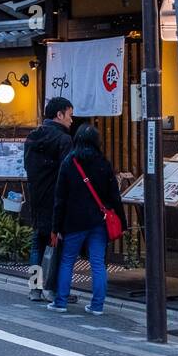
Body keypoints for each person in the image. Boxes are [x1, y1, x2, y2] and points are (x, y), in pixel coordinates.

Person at [50, 124, 126, 315]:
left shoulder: (69, 162)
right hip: (99, 221)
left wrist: (55, 227)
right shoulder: (103, 163)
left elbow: (60, 198)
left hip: (73, 221)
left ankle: (61, 302)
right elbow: (114, 196)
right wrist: (122, 222)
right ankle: (97, 306)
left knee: (67, 261)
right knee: (98, 263)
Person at [23, 96, 75, 302]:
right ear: (59, 115)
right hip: (56, 198)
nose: (72, 120)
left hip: (36, 196)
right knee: (59, 245)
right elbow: (67, 173)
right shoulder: (64, 140)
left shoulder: (33, 137)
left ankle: (35, 289)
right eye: (70, 115)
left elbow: (28, 167)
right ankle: (55, 290)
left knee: (38, 243)